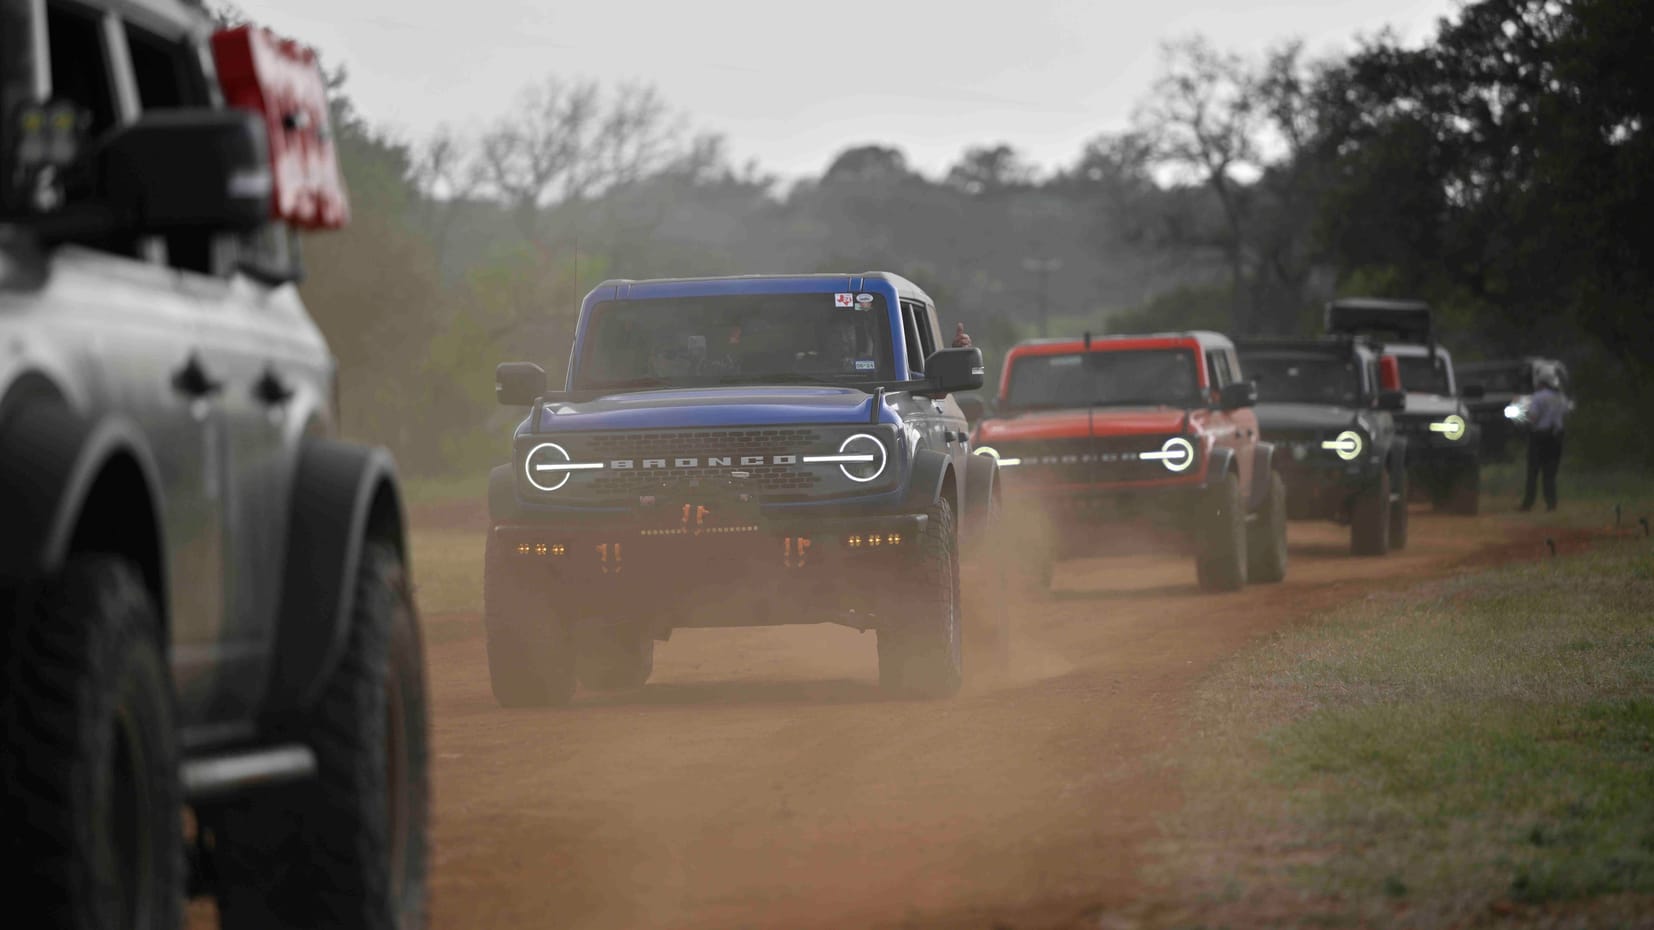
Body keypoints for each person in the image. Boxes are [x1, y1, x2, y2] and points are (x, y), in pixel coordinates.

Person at [1520, 367, 1568, 512]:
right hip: (1557, 436)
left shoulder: (1538, 397)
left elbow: (1534, 417)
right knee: (1550, 473)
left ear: (1540, 382)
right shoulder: (1560, 397)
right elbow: (1565, 414)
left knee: (1533, 472)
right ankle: (1551, 503)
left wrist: (1525, 419)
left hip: (1540, 436)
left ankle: (1528, 503)